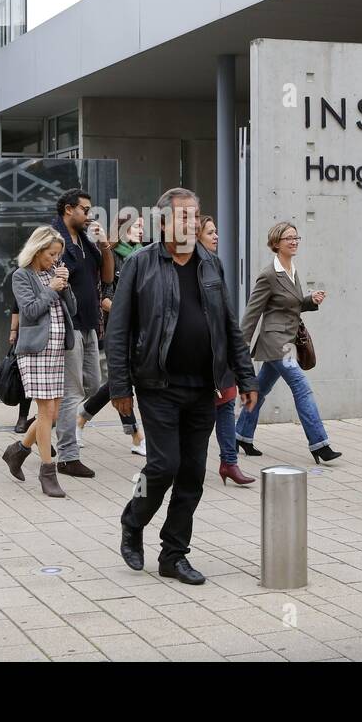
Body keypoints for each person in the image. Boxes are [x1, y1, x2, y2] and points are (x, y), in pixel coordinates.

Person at [107, 188, 258, 585]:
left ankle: (173, 554)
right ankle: (133, 519)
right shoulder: (141, 265)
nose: (192, 223)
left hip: (204, 388)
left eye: (196, 216)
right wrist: (120, 387)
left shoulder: (211, 264)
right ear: (163, 223)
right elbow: (119, 330)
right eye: (184, 217)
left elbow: (229, 324)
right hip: (157, 385)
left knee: (192, 474)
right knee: (163, 466)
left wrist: (245, 376)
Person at [235, 221, 340, 464]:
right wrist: (240, 349)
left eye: (296, 237)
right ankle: (320, 444)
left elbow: (290, 304)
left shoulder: (291, 268)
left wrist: (310, 300)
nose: (294, 242)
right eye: (288, 238)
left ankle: (241, 434)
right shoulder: (269, 274)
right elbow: (253, 312)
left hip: (288, 340)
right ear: (276, 243)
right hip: (275, 342)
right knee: (301, 386)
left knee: (259, 391)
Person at [0, 226, 75, 498]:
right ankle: (47, 471)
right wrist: (53, 289)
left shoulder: (52, 273)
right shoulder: (22, 276)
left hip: (56, 351)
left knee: (53, 414)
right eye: (51, 254)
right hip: (34, 352)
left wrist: (63, 286)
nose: (54, 259)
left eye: (57, 255)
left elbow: (73, 310)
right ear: (37, 249)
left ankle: (17, 451)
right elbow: (30, 311)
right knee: (45, 413)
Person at [50, 189, 114, 479]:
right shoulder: (55, 239)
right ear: (68, 209)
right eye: (84, 210)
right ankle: (67, 456)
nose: (88, 215)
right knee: (71, 392)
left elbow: (107, 277)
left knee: (94, 384)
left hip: (88, 323)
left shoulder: (85, 241)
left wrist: (105, 247)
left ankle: (31, 436)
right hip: (67, 324)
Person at [77, 210, 146, 456]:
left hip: (141, 328)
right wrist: (125, 311)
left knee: (118, 382)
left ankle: (81, 418)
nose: (141, 230)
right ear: (123, 229)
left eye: (141, 226)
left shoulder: (143, 256)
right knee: (121, 380)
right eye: (136, 226)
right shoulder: (111, 256)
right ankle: (136, 436)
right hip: (118, 328)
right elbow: (103, 298)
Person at [197, 216, 254, 486]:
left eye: (217, 231)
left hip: (221, 356)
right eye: (211, 232)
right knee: (201, 417)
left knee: (226, 408)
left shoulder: (215, 264)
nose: (216, 236)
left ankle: (229, 463)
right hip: (199, 358)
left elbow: (227, 315)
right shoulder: (188, 266)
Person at [0, 259, 34, 438]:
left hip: (52, 332)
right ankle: (23, 417)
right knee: (23, 377)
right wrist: (13, 330)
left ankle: (43, 418)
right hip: (27, 331)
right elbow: (16, 306)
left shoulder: (55, 271)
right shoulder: (24, 275)